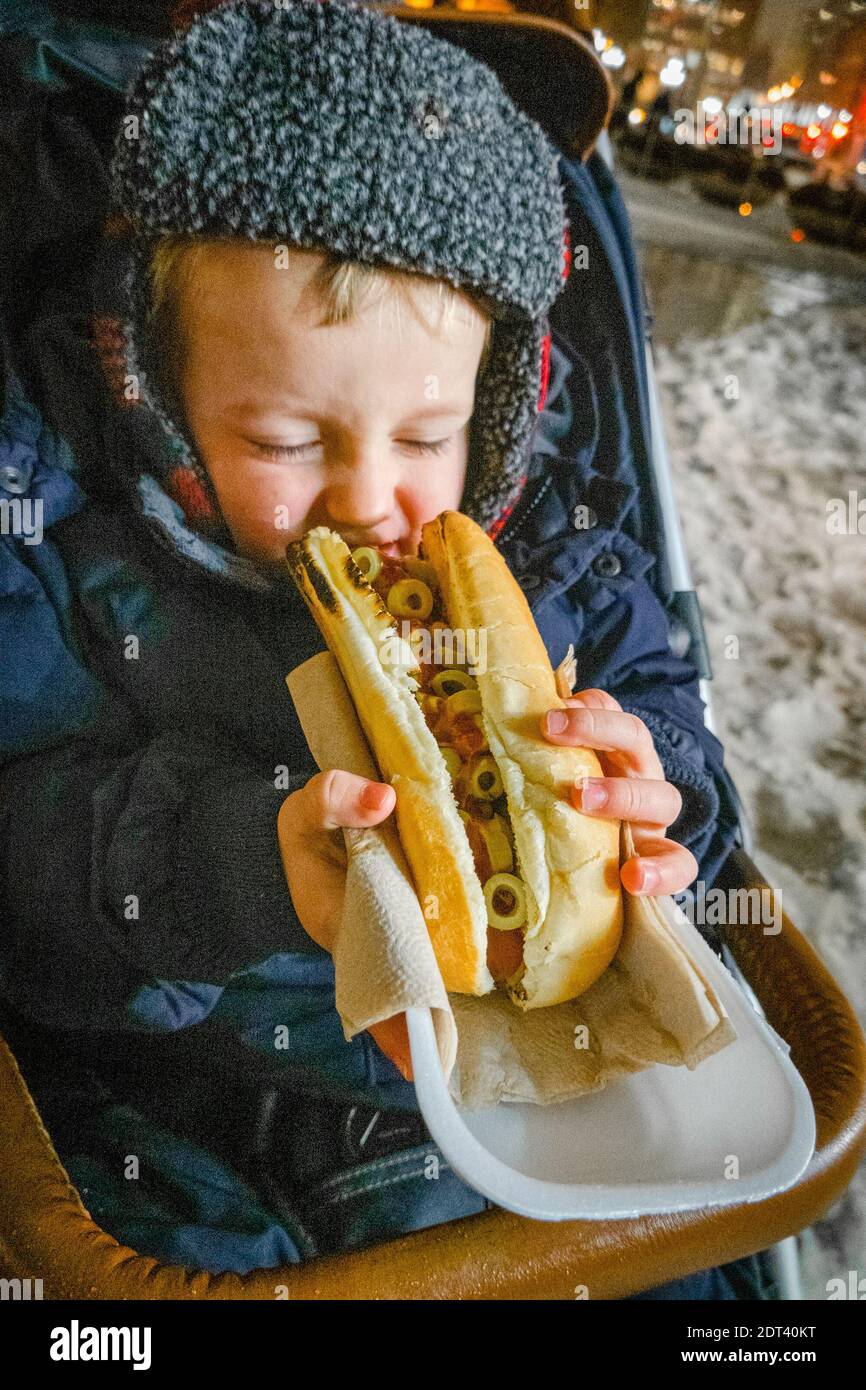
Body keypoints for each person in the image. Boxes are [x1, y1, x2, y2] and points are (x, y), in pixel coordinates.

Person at [0, 0, 773, 1297]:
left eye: (426, 439)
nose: (371, 499)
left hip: (544, 1103)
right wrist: (241, 863)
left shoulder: (552, 552)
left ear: (499, 404)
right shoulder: (72, 544)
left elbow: (677, 743)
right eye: (290, 443)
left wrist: (656, 786)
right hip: (187, 1109)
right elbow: (26, 852)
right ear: (157, 390)